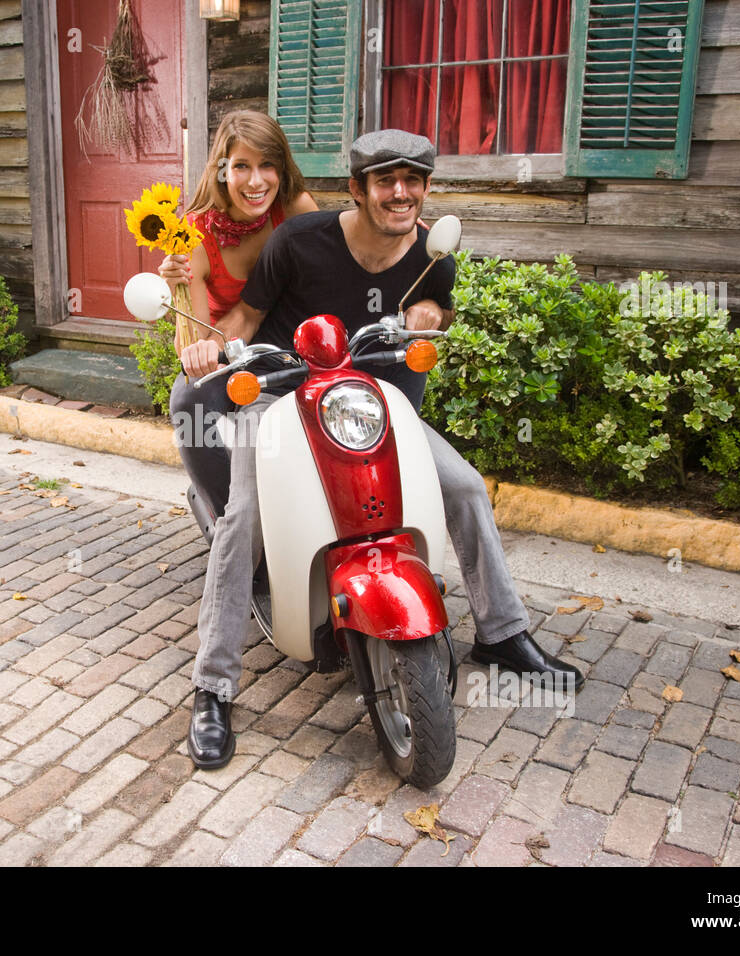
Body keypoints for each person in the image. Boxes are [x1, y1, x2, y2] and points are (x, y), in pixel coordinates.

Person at [179, 129, 586, 770]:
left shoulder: (431, 253)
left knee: (465, 488)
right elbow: (246, 322)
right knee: (245, 516)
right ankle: (213, 687)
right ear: (358, 190)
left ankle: (503, 634)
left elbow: (435, 309)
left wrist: (431, 315)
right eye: (385, 180)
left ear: (425, 188)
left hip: (367, 407)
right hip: (280, 398)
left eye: (413, 180)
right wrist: (206, 348)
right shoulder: (300, 241)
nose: (401, 192)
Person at [162, 110, 318, 517]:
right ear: (221, 171)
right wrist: (193, 341)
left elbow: (335, 261)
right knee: (189, 402)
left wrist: (397, 230)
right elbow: (195, 336)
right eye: (242, 166)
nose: (255, 181)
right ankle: (228, 512)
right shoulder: (194, 233)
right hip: (229, 350)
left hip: (291, 343)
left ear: (282, 168)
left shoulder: (296, 207)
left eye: (267, 165)